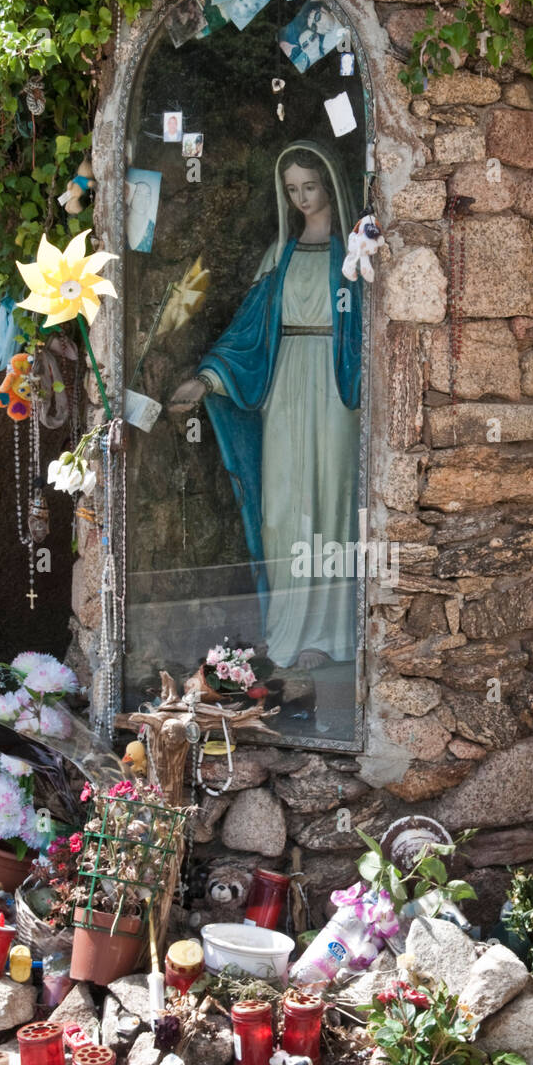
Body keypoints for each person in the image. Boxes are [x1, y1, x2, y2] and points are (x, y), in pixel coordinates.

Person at [169, 141, 362, 672]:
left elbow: (370, 329)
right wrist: (207, 380)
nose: (302, 198)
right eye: (292, 189)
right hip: (283, 387)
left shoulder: (353, 255)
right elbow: (249, 331)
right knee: (281, 506)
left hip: (335, 389)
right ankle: (285, 631)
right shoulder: (279, 256)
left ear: (330, 186)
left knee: (331, 500)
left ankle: (331, 634)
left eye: (311, 187)